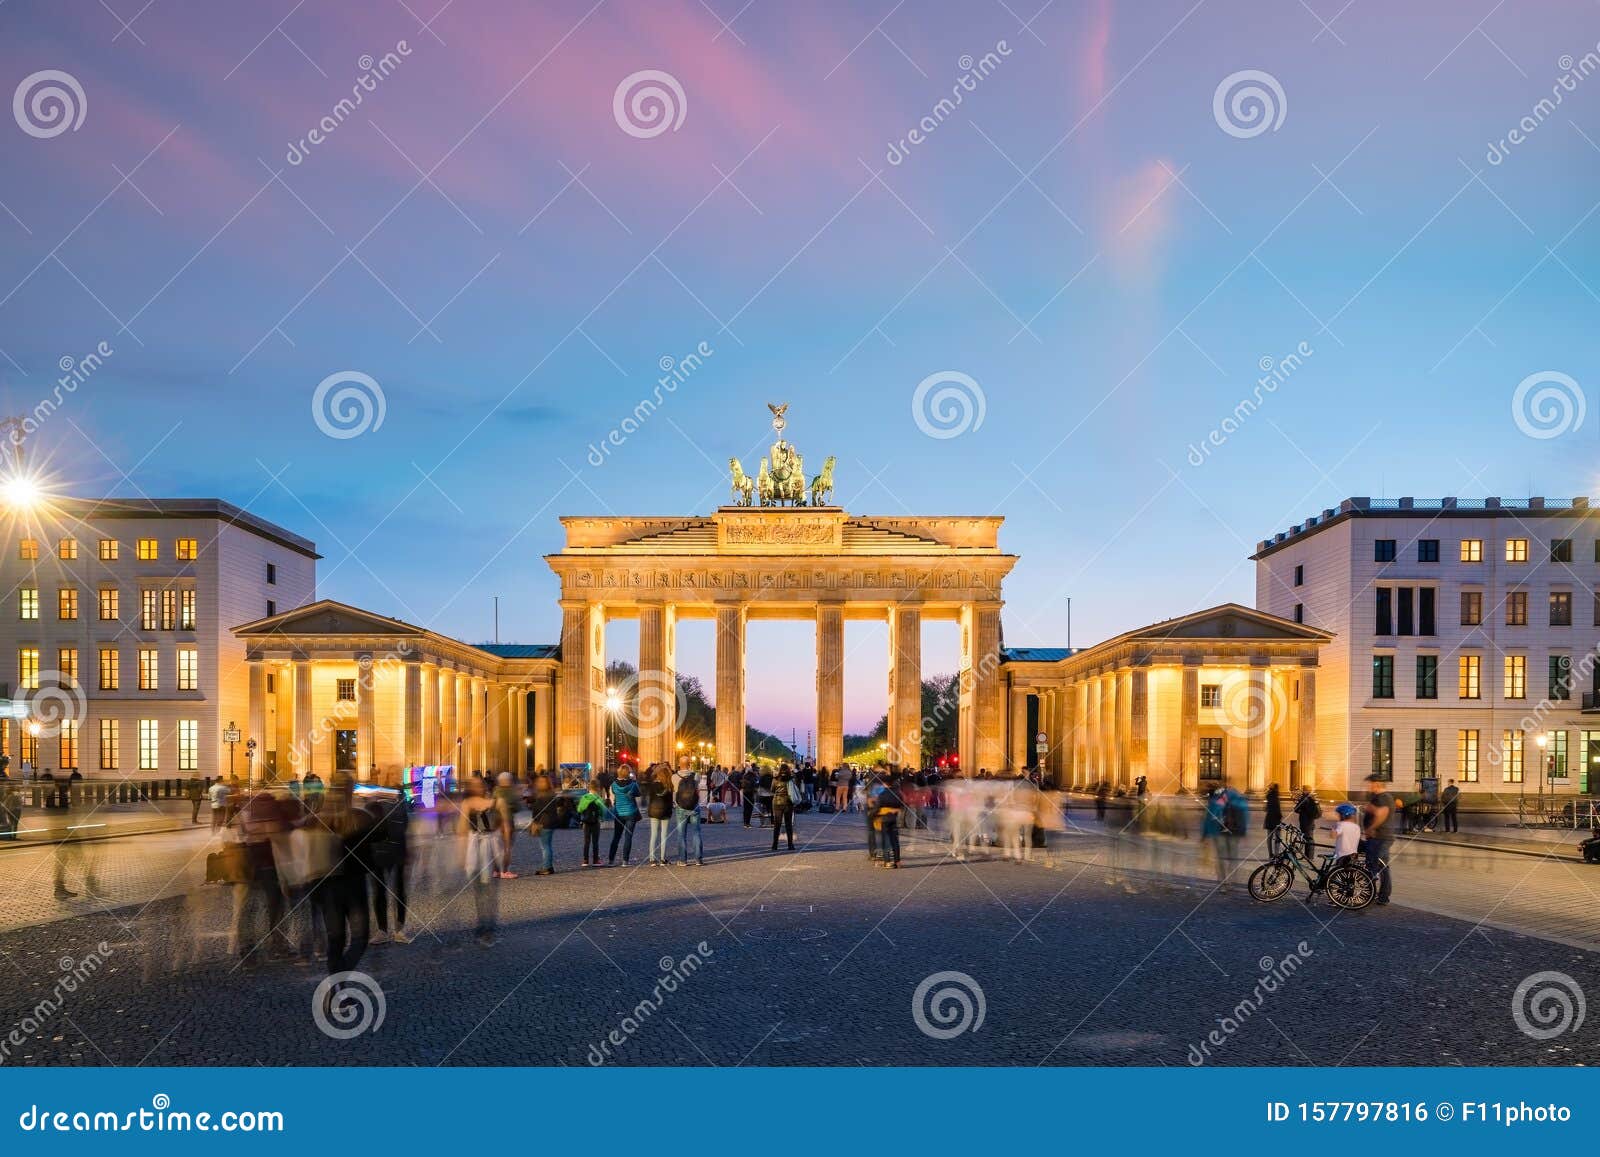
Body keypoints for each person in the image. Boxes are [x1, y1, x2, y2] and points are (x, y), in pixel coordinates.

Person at [458, 775, 501, 946]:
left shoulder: (494, 802)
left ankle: (489, 925)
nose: (477, 788)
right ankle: (482, 922)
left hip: (490, 848)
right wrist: (461, 854)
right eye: (473, 785)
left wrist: (503, 850)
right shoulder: (467, 804)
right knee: (479, 889)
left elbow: (501, 825)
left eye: (479, 784)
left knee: (489, 888)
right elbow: (461, 830)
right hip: (474, 847)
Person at [367, 791, 411, 945]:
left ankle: (399, 929)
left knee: (399, 890)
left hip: (397, 849)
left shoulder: (399, 797)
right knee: (379, 890)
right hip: (379, 850)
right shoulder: (374, 799)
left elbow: (405, 825)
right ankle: (382, 930)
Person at [1201, 780, 1246, 888]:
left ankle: (1223, 881)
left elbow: (1209, 817)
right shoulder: (1234, 796)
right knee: (1232, 858)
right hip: (1233, 832)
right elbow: (1243, 813)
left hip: (1220, 831)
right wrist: (1243, 831)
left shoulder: (1215, 799)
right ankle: (1230, 880)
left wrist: (1205, 834)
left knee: (1221, 858)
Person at [1362, 773, 1396, 906]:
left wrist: (1371, 828)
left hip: (1379, 837)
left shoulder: (1382, 798)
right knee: (1382, 866)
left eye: (1369, 783)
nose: (1368, 786)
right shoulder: (1382, 797)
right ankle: (1381, 895)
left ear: (1376, 784)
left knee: (1376, 866)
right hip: (1381, 837)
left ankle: (1376, 895)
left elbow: (1381, 813)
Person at [526, 772, 561, 875]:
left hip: (544, 823)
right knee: (547, 845)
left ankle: (546, 867)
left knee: (545, 846)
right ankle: (549, 866)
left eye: (540, 782)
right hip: (551, 822)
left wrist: (534, 822)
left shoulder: (542, 796)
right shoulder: (551, 794)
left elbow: (537, 810)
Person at [608, 765, 642, 866]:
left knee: (616, 836)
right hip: (630, 812)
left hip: (618, 813)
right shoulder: (633, 784)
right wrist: (634, 780)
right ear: (628, 773)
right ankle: (625, 861)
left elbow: (613, 795)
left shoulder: (613, 785)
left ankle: (611, 860)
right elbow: (639, 794)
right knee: (628, 837)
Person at [673, 763, 704, 865]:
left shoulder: (674, 777)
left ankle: (682, 860)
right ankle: (698, 859)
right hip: (694, 806)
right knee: (696, 833)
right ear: (689, 764)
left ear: (680, 765)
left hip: (680, 807)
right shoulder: (696, 776)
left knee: (681, 834)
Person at [645, 764, 674, 865]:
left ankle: (652, 859)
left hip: (654, 811)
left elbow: (650, 799)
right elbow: (671, 801)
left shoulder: (652, 785)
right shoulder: (669, 786)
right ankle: (662, 859)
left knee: (653, 835)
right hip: (665, 811)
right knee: (664, 835)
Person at [873, 774, 903, 867]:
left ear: (884, 784)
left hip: (884, 818)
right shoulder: (897, 793)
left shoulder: (882, 794)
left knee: (885, 839)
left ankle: (887, 861)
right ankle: (897, 861)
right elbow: (901, 804)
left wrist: (873, 814)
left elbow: (877, 807)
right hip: (894, 817)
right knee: (895, 840)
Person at [576, 780, 608, 867]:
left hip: (586, 822)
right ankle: (595, 860)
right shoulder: (598, 798)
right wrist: (601, 817)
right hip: (595, 822)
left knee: (586, 841)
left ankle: (585, 860)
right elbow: (603, 810)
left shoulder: (584, 798)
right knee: (595, 842)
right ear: (597, 788)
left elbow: (579, 809)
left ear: (589, 788)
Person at [770, 764, 797, 852]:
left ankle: (774, 845)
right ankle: (790, 845)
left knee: (777, 824)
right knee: (788, 824)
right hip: (788, 803)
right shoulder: (791, 779)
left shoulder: (775, 779)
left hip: (777, 802)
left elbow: (772, 790)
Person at [1292, 786, 1320, 855]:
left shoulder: (1304, 798)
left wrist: (1301, 811)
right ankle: (1308, 855)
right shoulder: (1313, 797)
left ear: (1305, 790)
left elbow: (1296, 809)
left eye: (1303, 790)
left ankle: (1309, 856)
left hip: (1305, 821)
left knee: (1307, 838)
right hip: (1311, 821)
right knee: (1309, 838)